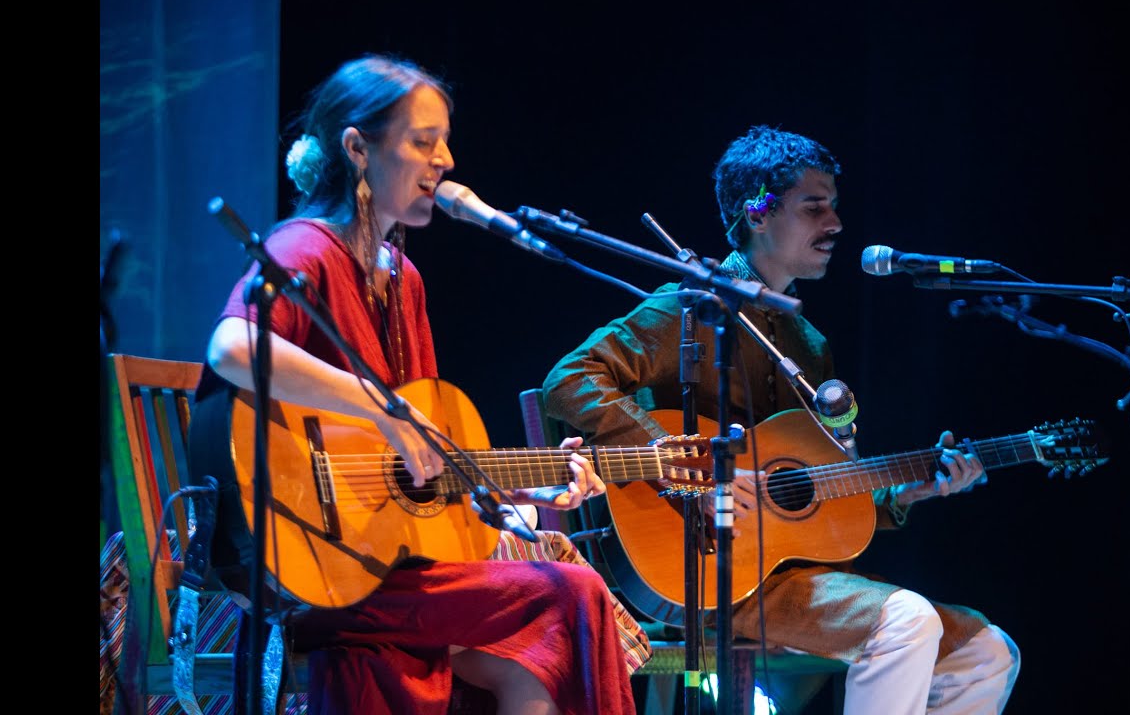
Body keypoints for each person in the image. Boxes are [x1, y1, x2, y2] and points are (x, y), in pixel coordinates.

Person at [192, 54, 640, 715]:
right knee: (569, 593)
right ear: (358, 149)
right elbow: (232, 347)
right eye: (423, 142)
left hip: (382, 569)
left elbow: (419, 463)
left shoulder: (403, 279)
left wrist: (530, 485)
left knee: (545, 651)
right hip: (308, 568)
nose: (446, 160)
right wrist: (380, 408)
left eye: (445, 141)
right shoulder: (304, 248)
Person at [541, 124, 1020, 714]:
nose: (836, 224)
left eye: (834, 207)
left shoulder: (807, 343)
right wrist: (679, 463)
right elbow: (568, 380)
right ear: (758, 213)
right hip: (704, 567)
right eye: (814, 207)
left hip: (789, 574)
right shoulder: (689, 307)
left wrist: (904, 494)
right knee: (907, 621)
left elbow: (809, 492)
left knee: (987, 650)